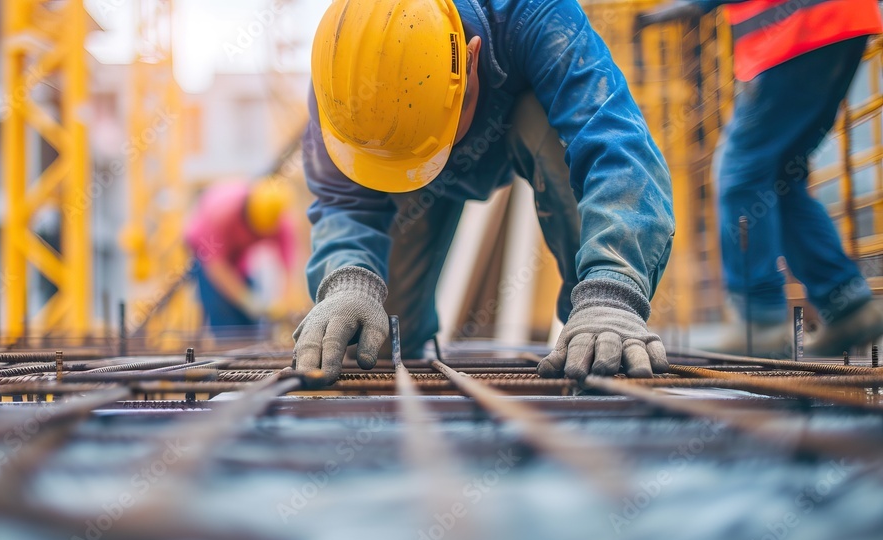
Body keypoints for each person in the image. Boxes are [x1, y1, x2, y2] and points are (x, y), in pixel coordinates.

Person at [292, 0, 676, 384]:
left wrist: (613, 292)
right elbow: (342, 202)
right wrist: (348, 280)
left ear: (471, 58)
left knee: (602, 327)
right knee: (373, 341)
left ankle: (598, 320)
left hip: (523, 126)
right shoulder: (343, 76)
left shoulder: (538, 16)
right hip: (405, 184)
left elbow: (618, 151)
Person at [639, 0, 883, 357]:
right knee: (782, 181)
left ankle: (759, 319)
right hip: (832, 21)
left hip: (796, 30)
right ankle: (846, 304)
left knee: (741, 175)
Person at [184, 178, 295, 332]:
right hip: (205, 251)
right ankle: (227, 348)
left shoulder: (278, 221)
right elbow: (217, 267)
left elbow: (288, 267)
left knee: (249, 319)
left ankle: (250, 345)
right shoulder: (221, 213)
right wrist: (246, 299)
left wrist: (282, 305)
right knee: (221, 309)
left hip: (237, 254)